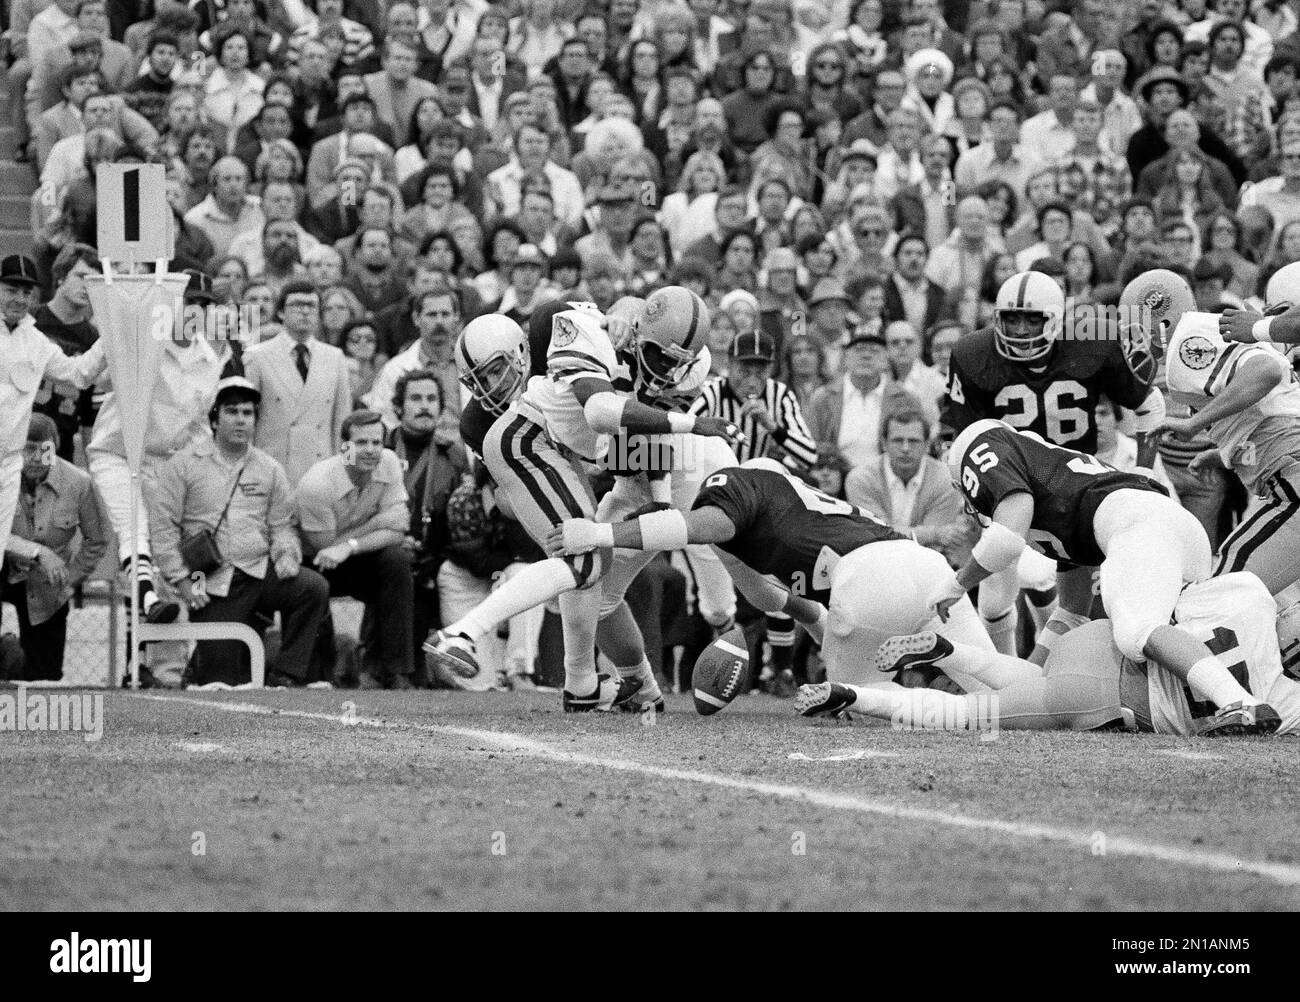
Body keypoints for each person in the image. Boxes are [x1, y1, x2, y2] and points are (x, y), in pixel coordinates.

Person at [425, 294, 742, 710]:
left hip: (624, 457)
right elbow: (595, 413)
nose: (490, 386)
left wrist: (658, 497)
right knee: (583, 564)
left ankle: (599, 687)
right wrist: (694, 425)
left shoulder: (590, 333)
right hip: (542, 445)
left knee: (591, 573)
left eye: (498, 370)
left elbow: (645, 430)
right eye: (479, 379)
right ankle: (465, 636)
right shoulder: (489, 411)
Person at [930, 418, 1281, 734]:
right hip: (1168, 527)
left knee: (1136, 631)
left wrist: (956, 584)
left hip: (1137, 522)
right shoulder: (1057, 500)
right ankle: (1243, 700)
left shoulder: (979, 446)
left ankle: (1240, 701)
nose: (967, 504)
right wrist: (1029, 680)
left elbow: (1006, 538)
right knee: (1183, 630)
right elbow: (1070, 613)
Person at [544, 458, 998, 690]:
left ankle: (910, 677)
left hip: (869, 579)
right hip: (922, 568)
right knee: (995, 689)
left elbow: (700, 524)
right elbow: (761, 594)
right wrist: (815, 619)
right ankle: (994, 676)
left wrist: (601, 532)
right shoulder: (787, 508)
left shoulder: (737, 484)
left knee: (862, 702)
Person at [804, 571, 1299, 737]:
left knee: (1023, 680)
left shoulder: (1250, 594)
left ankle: (948, 651)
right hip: (1107, 694)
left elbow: (1161, 616)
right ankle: (856, 695)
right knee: (968, 714)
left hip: (1097, 641)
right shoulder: (1288, 700)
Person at [150, 377, 330, 687]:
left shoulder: (269, 468)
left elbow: (282, 525)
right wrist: (181, 580)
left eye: (248, 413)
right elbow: (163, 529)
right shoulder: (183, 465)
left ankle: (287, 674)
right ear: (214, 419)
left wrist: (286, 553)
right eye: (232, 411)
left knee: (312, 588)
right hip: (208, 579)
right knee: (221, 681)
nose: (241, 419)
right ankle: (200, 667)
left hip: (258, 570)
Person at [1132, 267, 1300, 599]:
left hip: (1290, 481)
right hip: (1284, 477)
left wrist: (1193, 424)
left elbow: (1264, 371)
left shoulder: (1186, 338)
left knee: (1219, 599)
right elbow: (1271, 405)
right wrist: (1226, 453)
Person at [296, 409, 416, 689]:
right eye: (361, 443)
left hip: (354, 554)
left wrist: (351, 544)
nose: (371, 450)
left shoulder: (389, 462)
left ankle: (396, 672)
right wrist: (378, 524)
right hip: (316, 561)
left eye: (377, 442)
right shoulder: (317, 484)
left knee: (397, 561)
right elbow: (326, 550)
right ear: (344, 447)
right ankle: (319, 674)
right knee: (315, 584)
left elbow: (398, 528)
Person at [1, 414, 107, 681]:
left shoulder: (78, 483)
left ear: (56, 447)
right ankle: (6, 652)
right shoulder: (3, 475)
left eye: (44, 450)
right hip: (4, 569)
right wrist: (38, 553)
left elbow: (96, 540)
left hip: (47, 585)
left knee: (44, 679)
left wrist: (69, 578)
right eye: (28, 449)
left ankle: (12, 657)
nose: (37, 458)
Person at [242, 281, 352, 485]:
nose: (304, 312)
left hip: (322, 471)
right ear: (281, 312)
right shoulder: (258, 357)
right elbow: (248, 419)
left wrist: (348, 473)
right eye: (297, 305)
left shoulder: (335, 357)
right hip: (272, 469)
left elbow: (344, 423)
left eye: (311, 306)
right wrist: (245, 472)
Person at [844, 405, 969, 564]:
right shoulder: (860, 479)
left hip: (927, 566)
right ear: (883, 443)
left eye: (913, 441)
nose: (905, 448)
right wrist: (933, 534)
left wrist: (933, 537)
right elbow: (874, 534)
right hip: (873, 563)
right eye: (897, 440)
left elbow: (933, 550)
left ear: (927, 444)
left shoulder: (947, 480)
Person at [688, 330, 818, 470]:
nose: (751, 382)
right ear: (729, 364)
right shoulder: (711, 392)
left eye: (760, 373)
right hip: (711, 477)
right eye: (744, 372)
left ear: (770, 369)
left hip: (754, 483)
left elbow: (810, 457)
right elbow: (680, 440)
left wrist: (772, 426)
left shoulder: (779, 394)